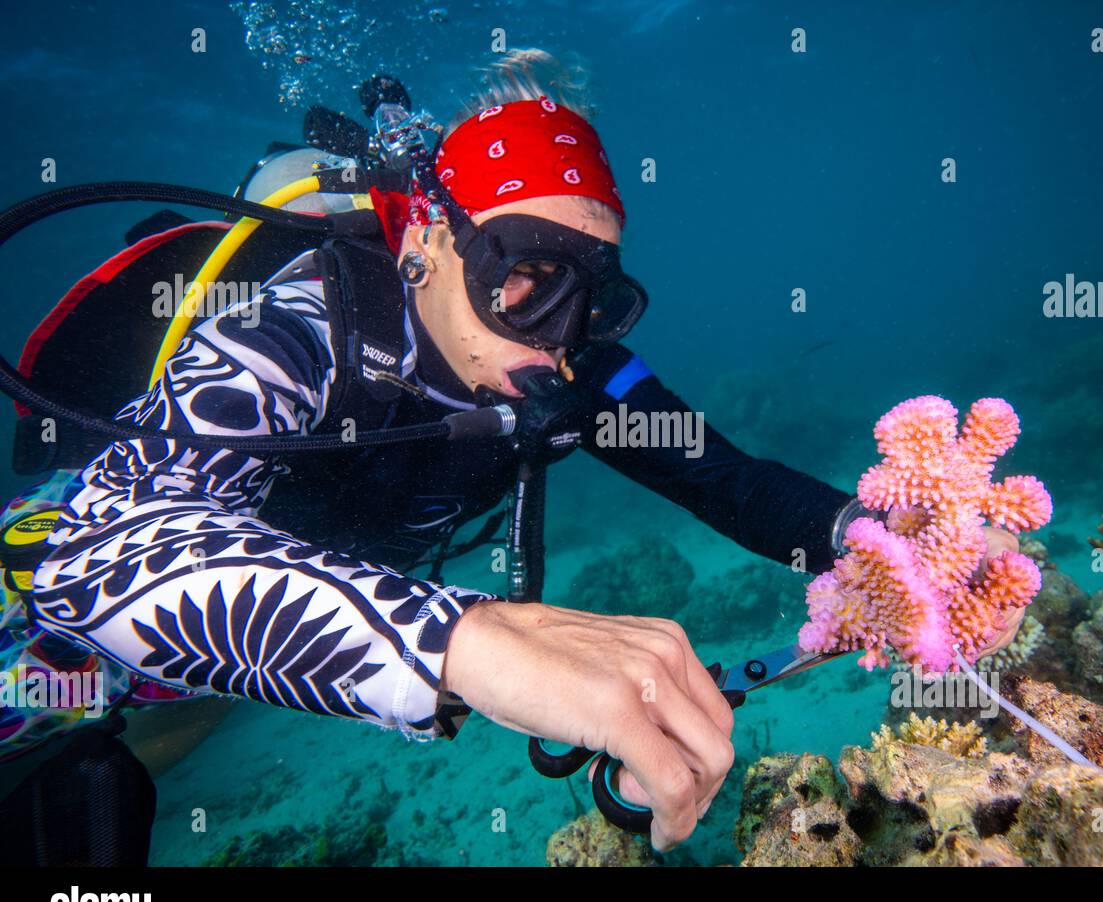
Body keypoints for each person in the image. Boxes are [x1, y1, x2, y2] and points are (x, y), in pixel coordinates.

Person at [17, 51, 1023, 854]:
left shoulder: (572, 368)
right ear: (426, 240)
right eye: (528, 278)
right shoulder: (293, 325)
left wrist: (869, 534)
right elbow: (97, 556)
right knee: (53, 701)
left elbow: (724, 478)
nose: (558, 335)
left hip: (239, 658)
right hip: (48, 604)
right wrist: (463, 641)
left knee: (166, 717)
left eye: (594, 297)